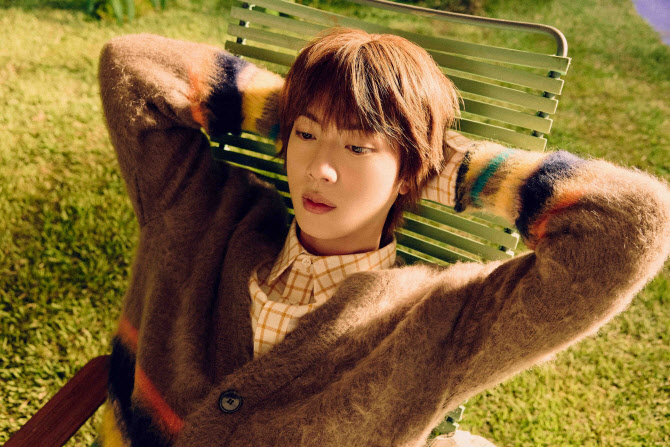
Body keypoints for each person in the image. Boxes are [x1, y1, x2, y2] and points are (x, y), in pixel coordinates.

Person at [96, 28, 670, 447]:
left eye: (357, 146)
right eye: (305, 136)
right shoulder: (200, 213)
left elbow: (631, 223)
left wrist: (444, 166)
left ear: (412, 173)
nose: (320, 169)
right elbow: (132, 66)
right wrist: (297, 108)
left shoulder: (440, 322)